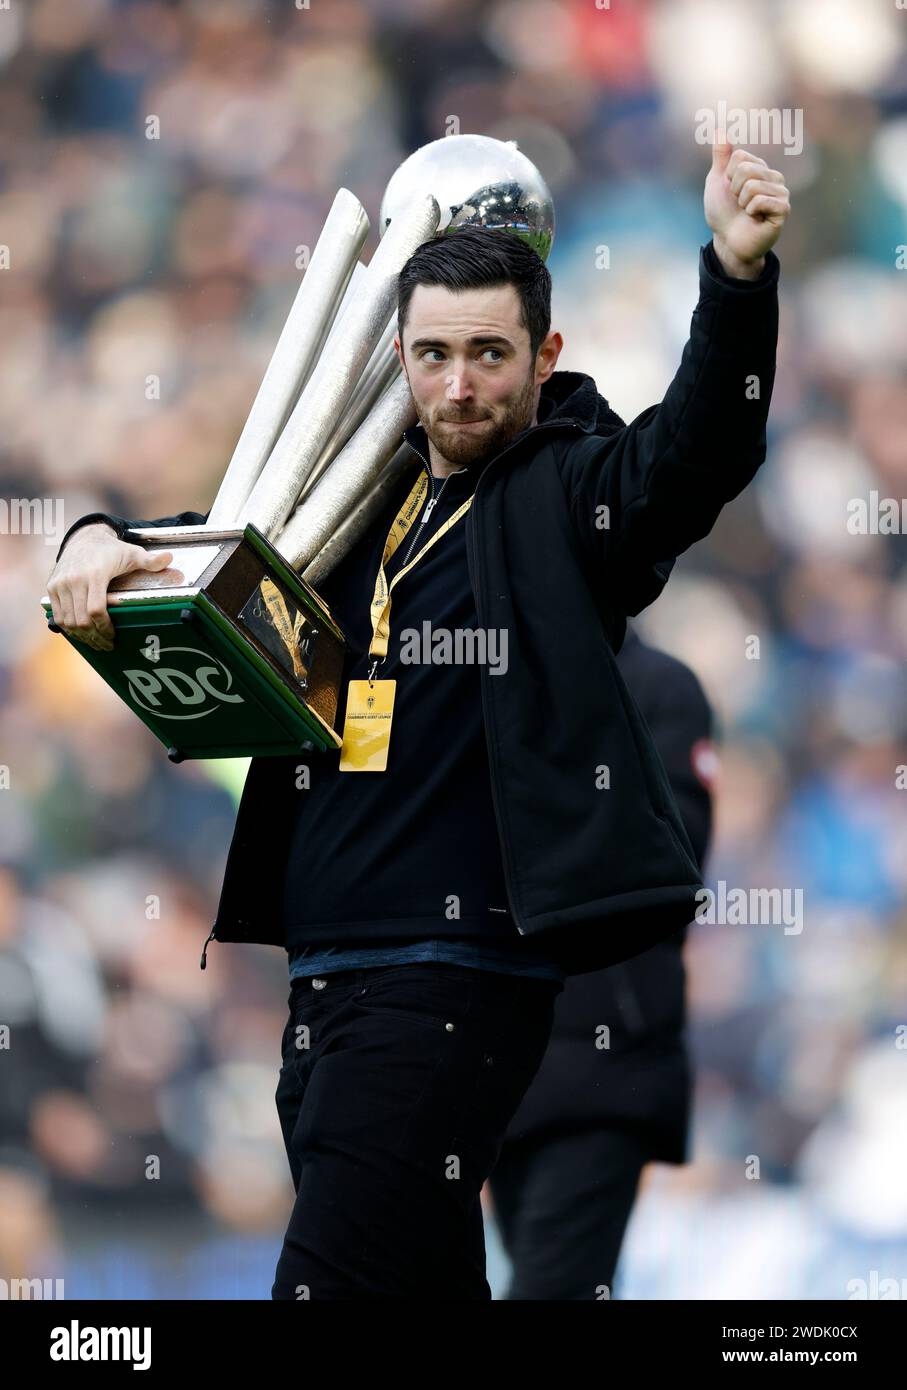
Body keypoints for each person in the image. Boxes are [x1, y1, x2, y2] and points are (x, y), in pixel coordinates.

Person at [45, 140, 789, 1298]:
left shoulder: (570, 491)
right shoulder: (351, 500)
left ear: (543, 357)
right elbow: (203, 550)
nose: (458, 384)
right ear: (398, 355)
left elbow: (699, 450)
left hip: (452, 978)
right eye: (434, 355)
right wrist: (93, 537)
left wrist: (736, 281)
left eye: (488, 355)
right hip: (324, 975)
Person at [488, 625, 716, 1299]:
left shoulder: (660, 686)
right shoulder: (498, 673)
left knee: (551, 1285)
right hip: (504, 1058)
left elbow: (673, 855)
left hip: (604, 1064)